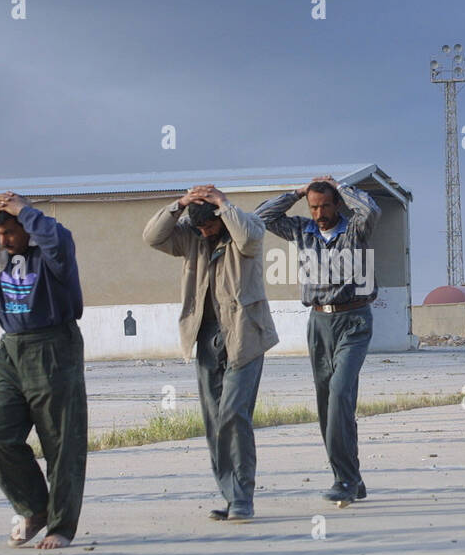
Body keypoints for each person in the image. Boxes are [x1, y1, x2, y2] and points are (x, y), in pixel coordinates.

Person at [0, 192, 87, 548]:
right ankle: (34, 508)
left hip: (53, 346)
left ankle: (60, 527)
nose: (4, 240)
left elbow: (58, 238)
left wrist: (24, 210)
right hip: (11, 348)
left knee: (61, 443)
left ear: (25, 228)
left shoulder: (51, 253)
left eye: (10, 232)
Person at [143, 184, 279, 520]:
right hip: (205, 337)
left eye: (209, 225)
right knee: (215, 420)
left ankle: (243, 497)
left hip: (245, 336)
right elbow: (152, 237)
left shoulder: (245, 227)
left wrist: (223, 203)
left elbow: (248, 240)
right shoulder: (190, 238)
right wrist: (179, 204)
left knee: (234, 414)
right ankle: (231, 497)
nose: (205, 232)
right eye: (199, 227)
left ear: (220, 215)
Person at [257, 174, 379, 506]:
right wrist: (296, 192)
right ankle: (353, 477)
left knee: (340, 393)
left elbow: (371, 211)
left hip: (353, 320)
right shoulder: (301, 230)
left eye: (326, 205)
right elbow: (262, 217)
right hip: (318, 322)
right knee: (330, 404)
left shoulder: (354, 228)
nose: (320, 212)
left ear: (336, 204)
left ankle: (344, 480)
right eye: (314, 206)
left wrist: (342, 188)